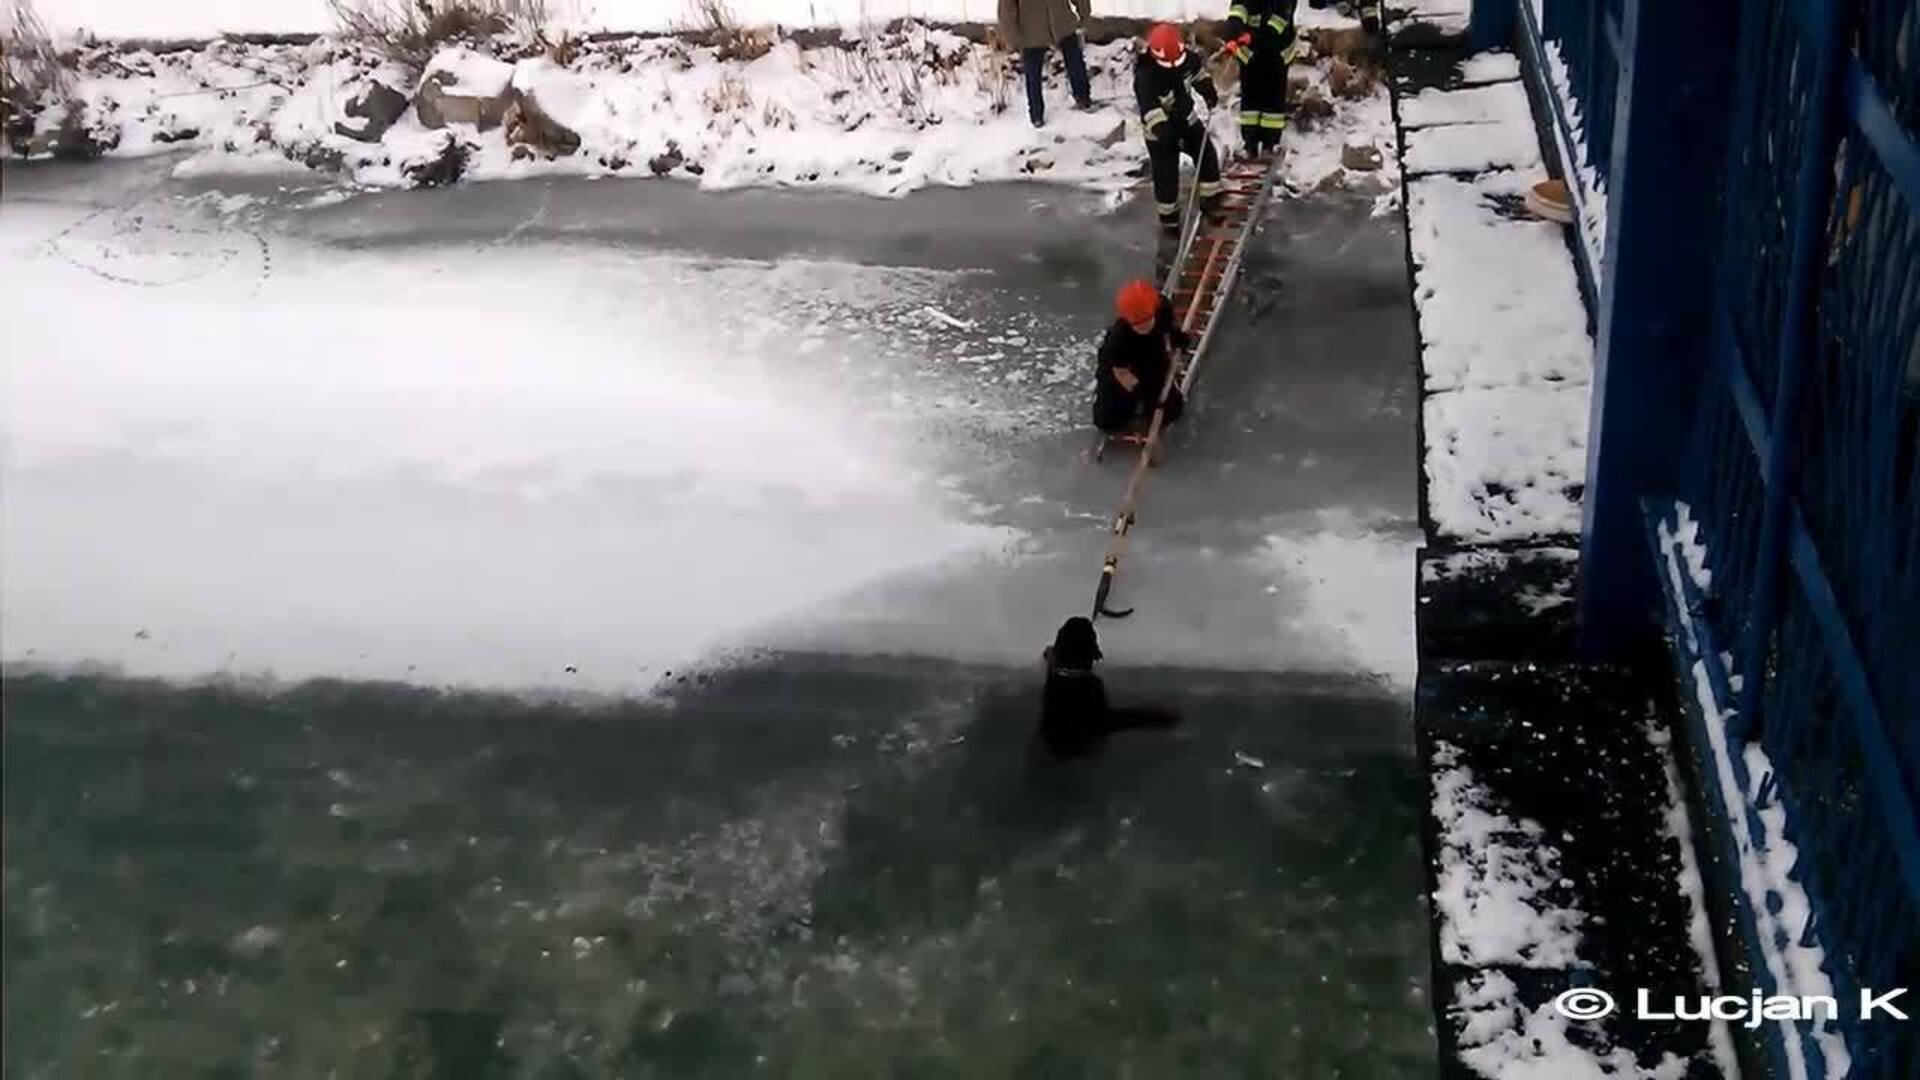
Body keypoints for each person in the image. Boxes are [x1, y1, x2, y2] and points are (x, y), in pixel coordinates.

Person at [1039, 616, 1180, 759]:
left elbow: (1057, 671)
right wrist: (1156, 717)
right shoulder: (1091, 686)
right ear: (1092, 653)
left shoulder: (1055, 681)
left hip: (1050, 748)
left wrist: (1051, 657)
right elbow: (1108, 722)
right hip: (1083, 752)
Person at [1136, 23, 1225, 230]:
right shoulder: (1146, 76)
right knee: (1166, 176)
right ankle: (1169, 219)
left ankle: (1210, 202)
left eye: (1178, 61)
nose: (1175, 66)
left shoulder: (1187, 59)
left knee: (1207, 155)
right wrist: (1166, 133)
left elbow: (1197, 74)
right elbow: (1149, 110)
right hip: (1160, 133)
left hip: (1187, 119)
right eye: (1170, 63)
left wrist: (1207, 91)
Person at [1094, 279, 1189, 450]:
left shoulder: (1162, 308)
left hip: (1152, 354)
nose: (1143, 327)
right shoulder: (1118, 338)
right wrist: (1141, 392)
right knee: (1107, 419)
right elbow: (1121, 373)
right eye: (1137, 324)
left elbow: (1168, 327)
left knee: (1172, 410)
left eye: (1146, 320)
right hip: (1123, 368)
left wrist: (1177, 338)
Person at [1223, 0, 1301, 159]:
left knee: (1272, 101)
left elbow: (1277, 24)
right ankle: (1249, 144)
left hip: (1277, 52)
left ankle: (1270, 144)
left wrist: (1252, 36)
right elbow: (1237, 12)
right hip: (1251, 55)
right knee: (1250, 100)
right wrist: (1233, 35)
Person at [998, 0, 1094, 128]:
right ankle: (1037, 114)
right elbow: (1006, 7)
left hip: (1058, 24)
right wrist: (1011, 37)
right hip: (1035, 30)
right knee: (1033, 74)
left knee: (1071, 60)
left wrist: (1084, 13)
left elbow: (1006, 8)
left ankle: (1082, 98)